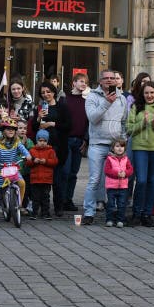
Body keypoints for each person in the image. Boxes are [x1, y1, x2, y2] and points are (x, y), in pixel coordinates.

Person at [82, 69, 129, 225]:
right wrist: (107, 102)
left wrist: (123, 140)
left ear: (116, 81)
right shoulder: (92, 96)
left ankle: (114, 212)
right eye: (106, 78)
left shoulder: (122, 98)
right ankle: (89, 212)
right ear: (100, 81)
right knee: (95, 180)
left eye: (112, 78)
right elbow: (93, 118)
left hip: (115, 147)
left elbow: (124, 121)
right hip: (97, 144)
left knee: (116, 180)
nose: (109, 80)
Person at [127, 81, 154, 227]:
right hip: (140, 147)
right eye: (146, 93)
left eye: (152, 92)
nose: (149, 95)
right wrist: (143, 123)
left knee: (153, 181)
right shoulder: (135, 107)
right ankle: (136, 213)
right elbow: (129, 129)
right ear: (142, 94)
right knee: (141, 180)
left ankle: (147, 214)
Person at [31, 81, 70, 217]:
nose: (46, 94)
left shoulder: (62, 107)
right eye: (43, 92)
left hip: (58, 147)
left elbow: (68, 126)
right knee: (42, 179)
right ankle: (42, 207)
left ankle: (59, 206)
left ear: (54, 92)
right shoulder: (39, 107)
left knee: (58, 179)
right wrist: (38, 118)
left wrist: (52, 124)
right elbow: (34, 128)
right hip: (42, 149)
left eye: (48, 91)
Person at [0, 118, 32, 222]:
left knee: (22, 183)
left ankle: (19, 204)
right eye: (8, 129)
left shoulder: (17, 142)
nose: (11, 131)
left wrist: (28, 155)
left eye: (13, 129)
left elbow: (23, 149)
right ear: (3, 131)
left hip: (12, 169)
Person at [63, 73, 89, 212]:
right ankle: (61, 200)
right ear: (74, 83)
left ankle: (69, 199)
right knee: (65, 171)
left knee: (74, 172)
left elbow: (88, 123)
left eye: (85, 82)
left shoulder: (86, 102)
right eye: (81, 81)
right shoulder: (65, 100)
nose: (83, 84)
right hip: (66, 140)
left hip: (79, 140)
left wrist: (85, 140)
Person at [29, 129, 59, 220]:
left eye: (44, 141)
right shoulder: (32, 150)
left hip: (46, 179)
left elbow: (55, 162)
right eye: (40, 140)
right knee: (35, 197)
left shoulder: (51, 151)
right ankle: (34, 213)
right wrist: (34, 161)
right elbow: (28, 162)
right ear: (37, 141)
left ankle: (45, 213)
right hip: (35, 179)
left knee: (45, 197)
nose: (42, 143)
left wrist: (46, 161)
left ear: (47, 141)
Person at [104, 139, 133, 228]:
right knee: (111, 204)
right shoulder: (109, 159)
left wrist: (125, 173)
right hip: (111, 187)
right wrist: (117, 174)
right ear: (113, 148)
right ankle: (109, 219)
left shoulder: (126, 159)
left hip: (123, 187)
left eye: (122, 146)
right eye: (117, 146)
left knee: (122, 204)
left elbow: (130, 170)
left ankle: (120, 220)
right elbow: (107, 171)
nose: (120, 148)